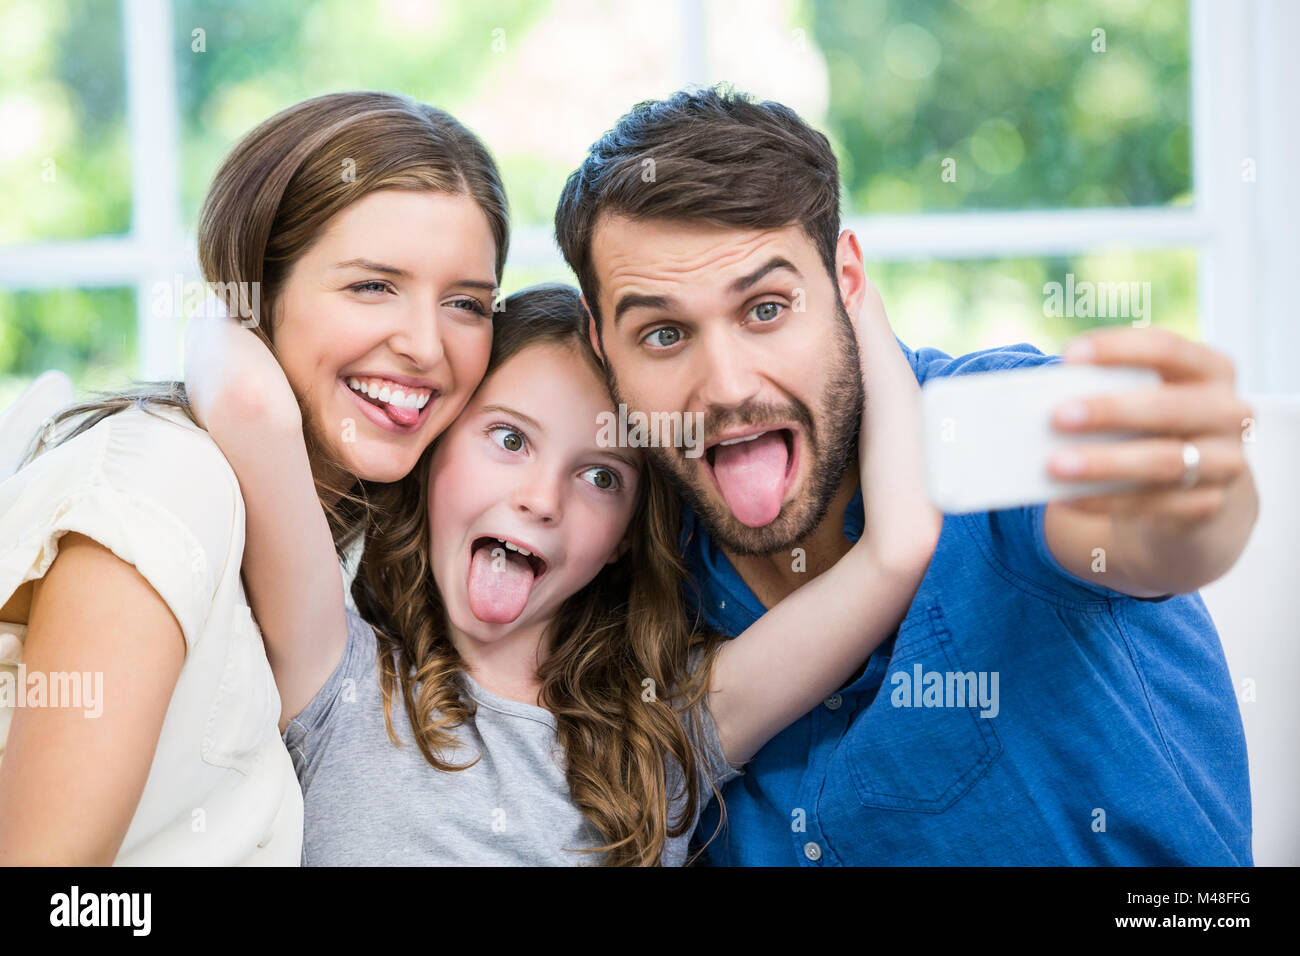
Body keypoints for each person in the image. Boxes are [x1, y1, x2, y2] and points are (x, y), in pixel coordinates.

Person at [553, 85, 1258, 865]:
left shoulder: (987, 432)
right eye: (661, 333)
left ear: (847, 283)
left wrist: (1196, 503)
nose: (725, 387)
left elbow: (1141, 535)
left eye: (765, 310)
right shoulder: (620, 566)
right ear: (602, 345)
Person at [182, 282, 941, 865]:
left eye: (600, 477)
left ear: (621, 540)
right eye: (509, 439)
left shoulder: (666, 726)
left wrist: (853, 292)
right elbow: (245, 392)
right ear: (436, 451)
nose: (541, 499)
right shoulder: (336, 672)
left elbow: (899, 548)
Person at [0, 90, 509, 864]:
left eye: (466, 303)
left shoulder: (355, 547)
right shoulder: (168, 485)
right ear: (256, 295)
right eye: (373, 286)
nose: (425, 345)